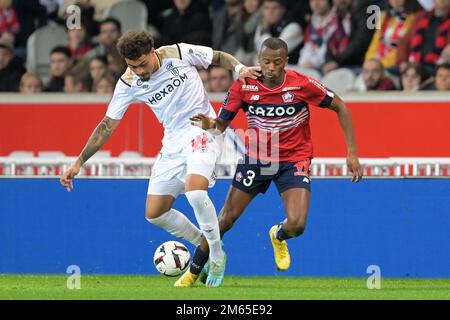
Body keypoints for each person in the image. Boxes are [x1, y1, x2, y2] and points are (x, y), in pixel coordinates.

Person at [59, 30, 261, 287]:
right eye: (133, 66)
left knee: (196, 194)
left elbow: (218, 56)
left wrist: (240, 67)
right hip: (173, 142)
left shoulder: (177, 52)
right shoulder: (128, 82)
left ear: (152, 52)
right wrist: (79, 161)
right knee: (155, 213)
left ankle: (217, 255)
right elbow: (107, 125)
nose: (140, 71)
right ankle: (207, 244)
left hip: (203, 131)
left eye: (143, 64)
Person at [177, 37, 363, 287]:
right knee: (225, 220)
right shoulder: (244, 86)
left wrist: (351, 152)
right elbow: (221, 125)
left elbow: (339, 105)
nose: (271, 67)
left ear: (286, 61)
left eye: (277, 62)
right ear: (259, 60)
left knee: (297, 225)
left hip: (293, 159)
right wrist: (211, 124)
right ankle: (192, 272)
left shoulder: (301, 84)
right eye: (266, 61)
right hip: (257, 160)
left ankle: (278, 235)